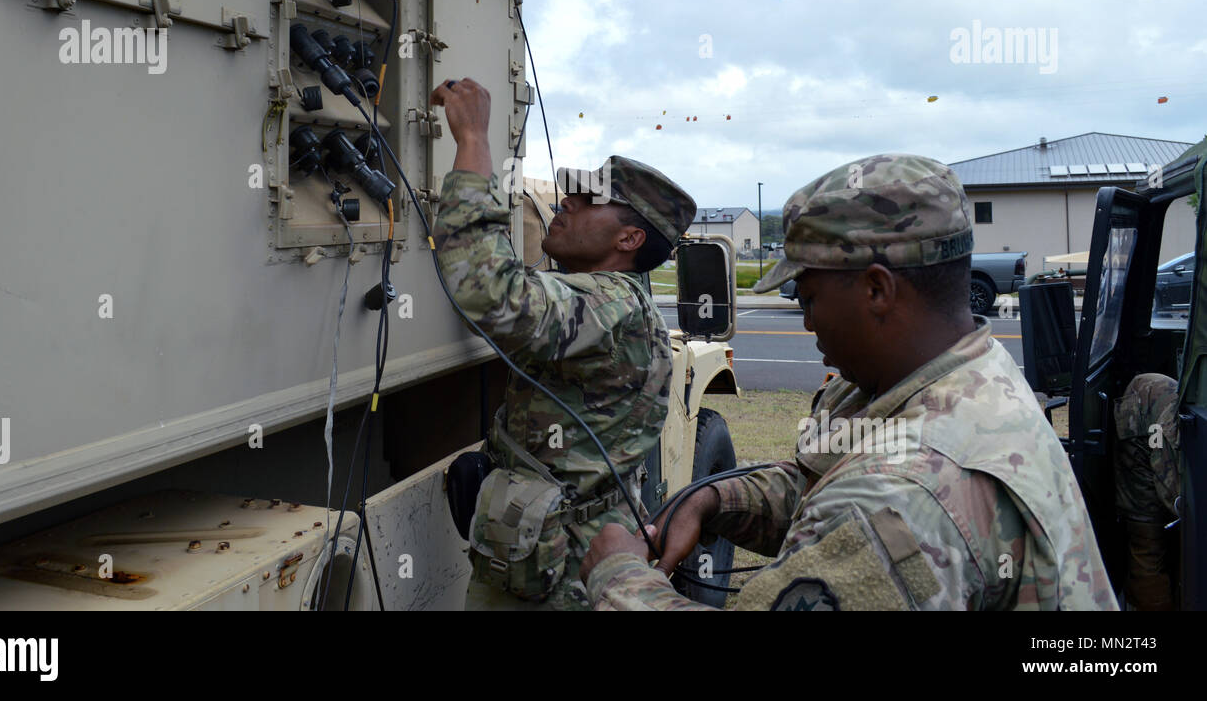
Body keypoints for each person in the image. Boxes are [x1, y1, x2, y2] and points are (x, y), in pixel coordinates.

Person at [580, 153, 1116, 610]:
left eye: (809, 298)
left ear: (877, 290)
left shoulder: (902, 496)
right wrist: (714, 500)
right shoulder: (967, 370)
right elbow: (816, 482)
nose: (807, 321)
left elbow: (860, 503)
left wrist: (619, 574)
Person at [429, 77, 696, 610]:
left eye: (589, 199)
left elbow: (488, 291)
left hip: (564, 575)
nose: (566, 202)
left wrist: (474, 142)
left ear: (629, 239)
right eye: (571, 192)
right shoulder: (603, 299)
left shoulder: (612, 306)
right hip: (545, 557)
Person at [1114, 372, 1182, 610]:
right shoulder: (1152, 401)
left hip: (1150, 423)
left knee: (1147, 545)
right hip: (1143, 428)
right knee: (1147, 541)